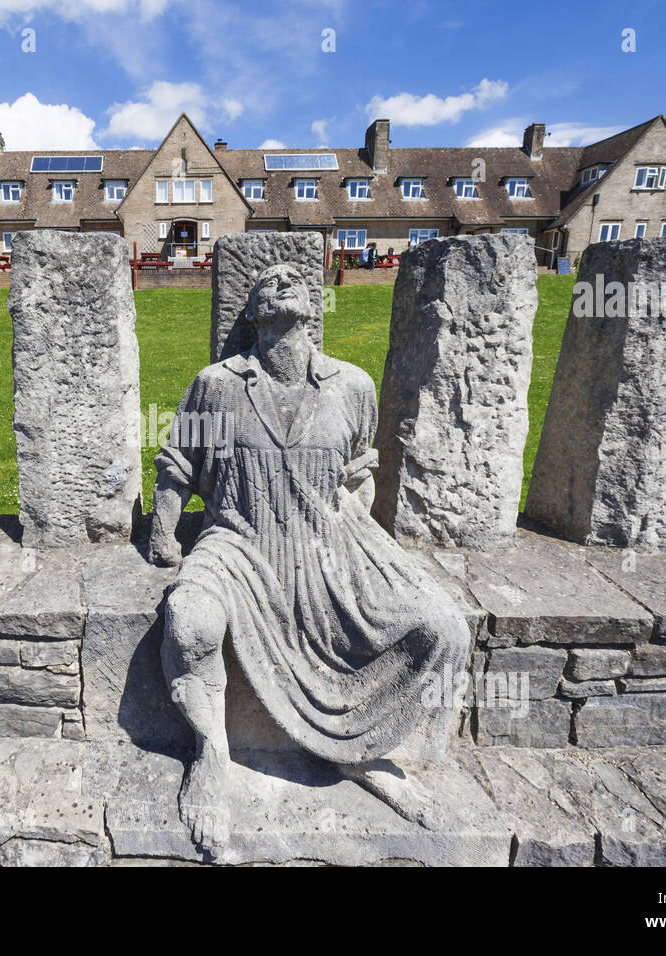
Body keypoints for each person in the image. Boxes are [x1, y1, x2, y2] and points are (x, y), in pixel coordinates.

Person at [148, 263, 471, 856]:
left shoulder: (352, 385)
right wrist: (163, 534)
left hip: (328, 540)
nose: (284, 278)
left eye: (296, 274)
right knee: (191, 625)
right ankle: (211, 754)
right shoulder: (215, 383)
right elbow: (177, 464)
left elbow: (359, 476)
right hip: (237, 541)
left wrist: (356, 534)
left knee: (442, 627)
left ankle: (361, 753)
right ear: (249, 313)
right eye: (267, 278)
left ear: (314, 304)